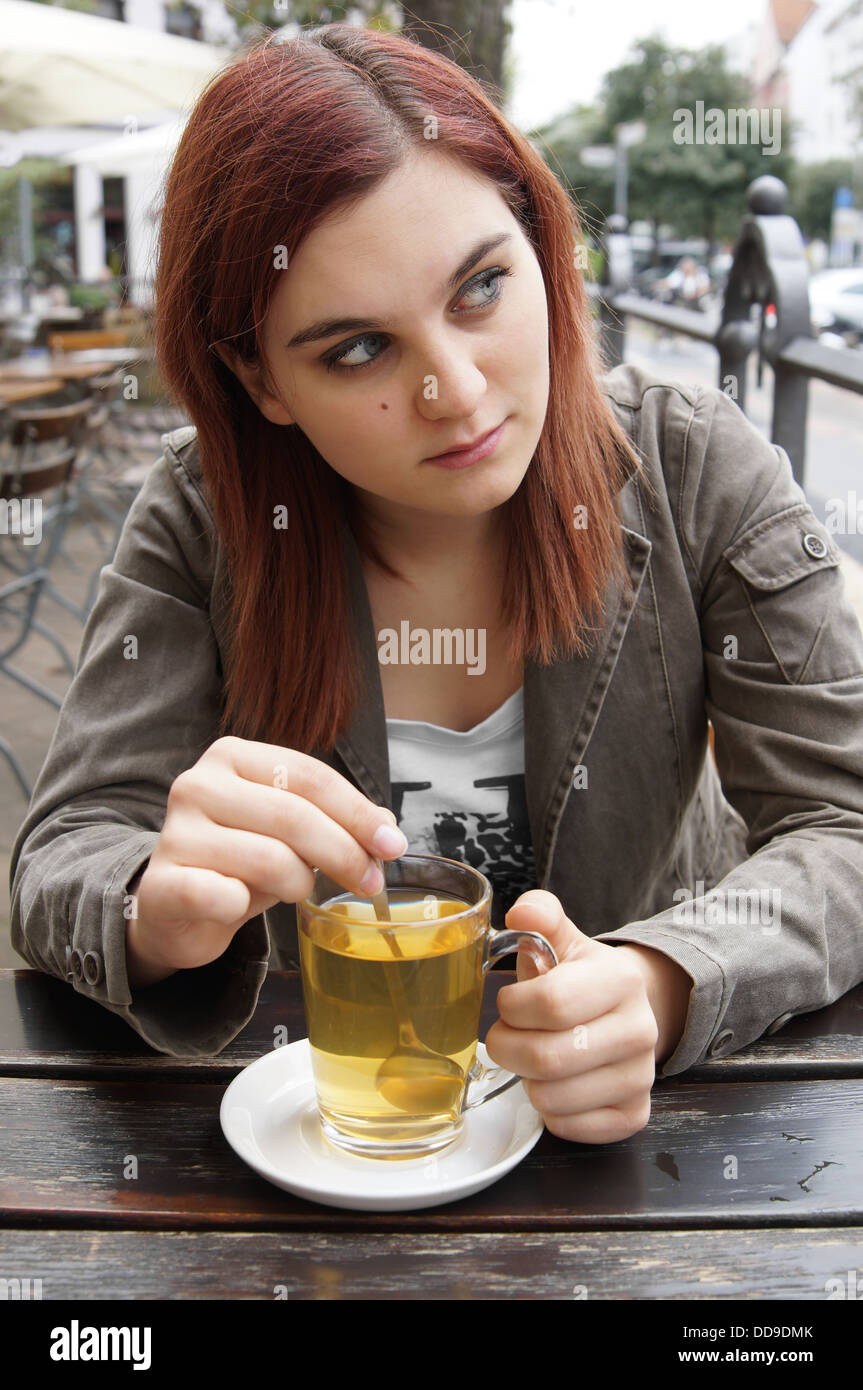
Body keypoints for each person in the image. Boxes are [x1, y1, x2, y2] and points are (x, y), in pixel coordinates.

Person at [10, 23, 863, 1147]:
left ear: (540, 239)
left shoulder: (693, 467)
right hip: (333, 1138)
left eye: (479, 288)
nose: (454, 392)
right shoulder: (203, 519)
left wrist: (664, 978)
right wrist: (152, 907)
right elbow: (62, 857)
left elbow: (840, 819)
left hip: (650, 1151)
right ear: (259, 379)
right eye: (356, 349)